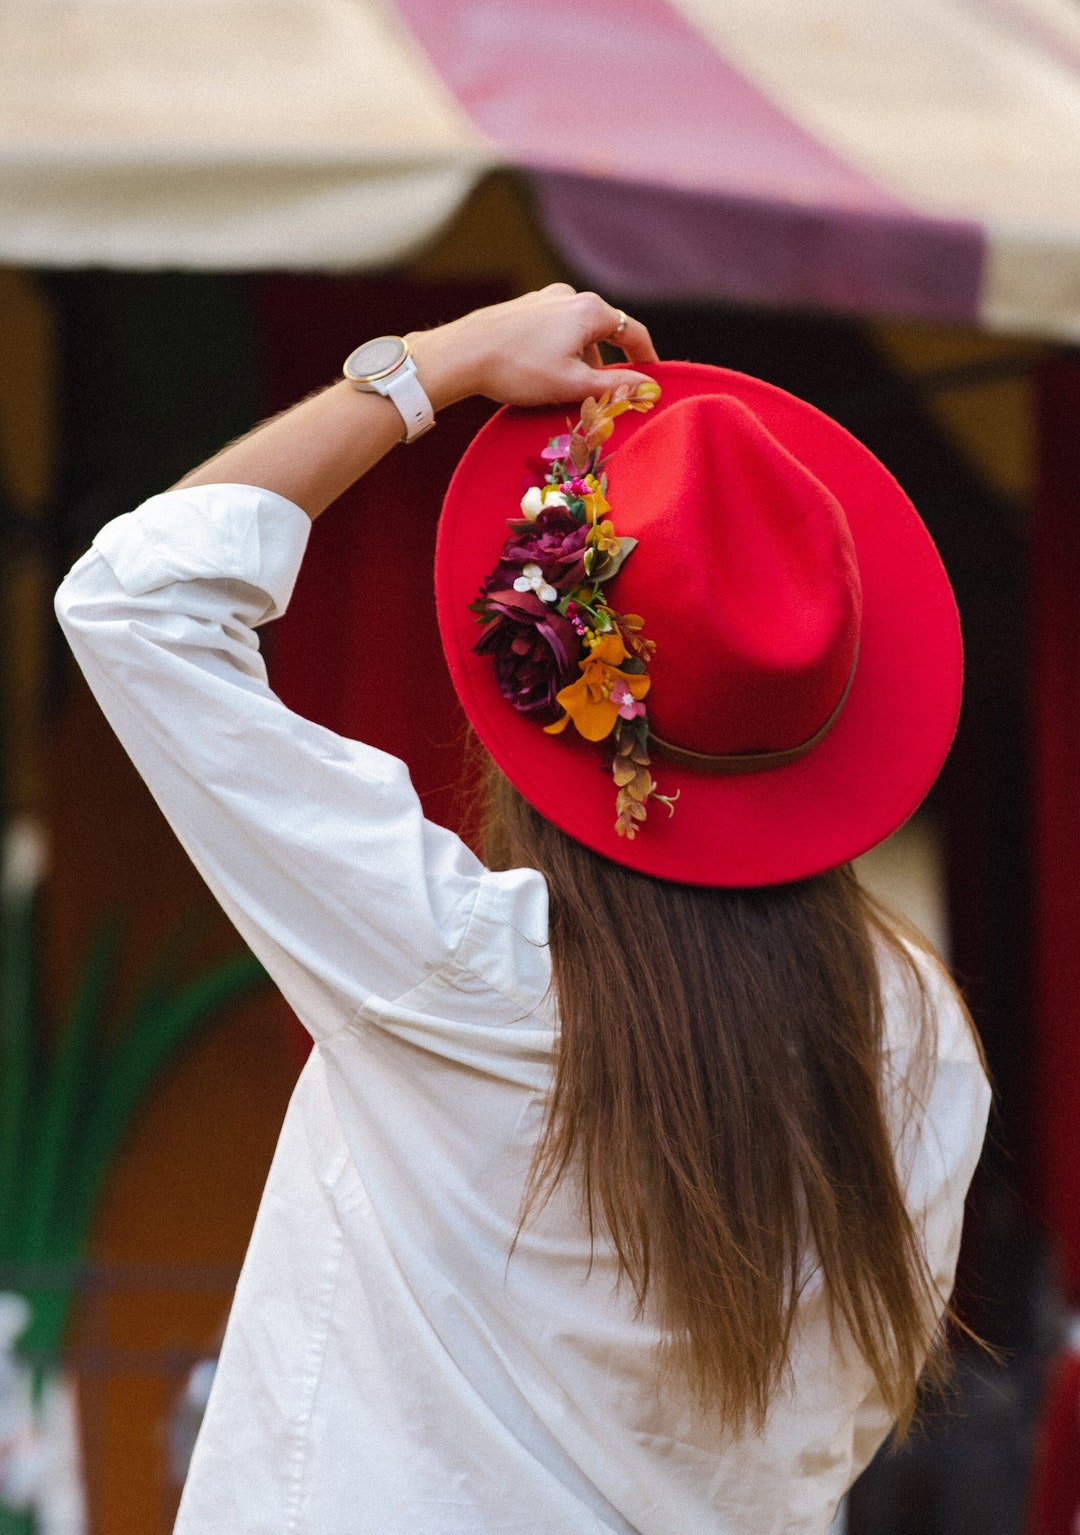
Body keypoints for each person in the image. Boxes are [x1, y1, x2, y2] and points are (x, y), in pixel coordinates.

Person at [55, 285, 989, 1535]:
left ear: (537, 679)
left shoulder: (467, 971)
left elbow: (137, 601)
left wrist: (434, 365)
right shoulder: (920, 1035)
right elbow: (845, 1420)